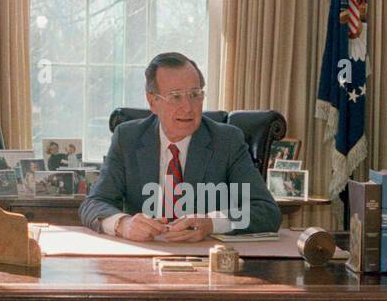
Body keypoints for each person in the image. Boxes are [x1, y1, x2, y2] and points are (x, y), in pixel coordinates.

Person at [80, 52, 281, 242]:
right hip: (144, 254)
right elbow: (94, 203)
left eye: (195, 95)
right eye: (176, 97)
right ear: (152, 101)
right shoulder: (128, 138)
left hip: (205, 257)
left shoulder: (226, 140)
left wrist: (212, 223)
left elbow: (266, 211)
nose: (188, 107)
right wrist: (123, 224)